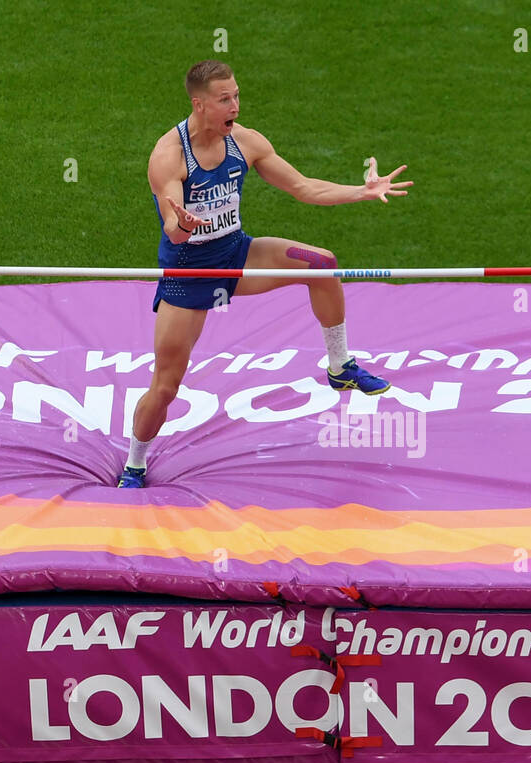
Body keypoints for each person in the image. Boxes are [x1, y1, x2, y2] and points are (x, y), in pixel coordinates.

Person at [118, 59, 413, 488]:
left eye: (236, 96)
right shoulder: (168, 156)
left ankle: (340, 364)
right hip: (189, 276)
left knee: (322, 265)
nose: (235, 106)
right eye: (225, 100)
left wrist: (362, 192)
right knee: (164, 388)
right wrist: (183, 224)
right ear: (199, 104)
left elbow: (303, 188)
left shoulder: (246, 142)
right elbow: (173, 234)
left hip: (237, 255)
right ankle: (134, 463)